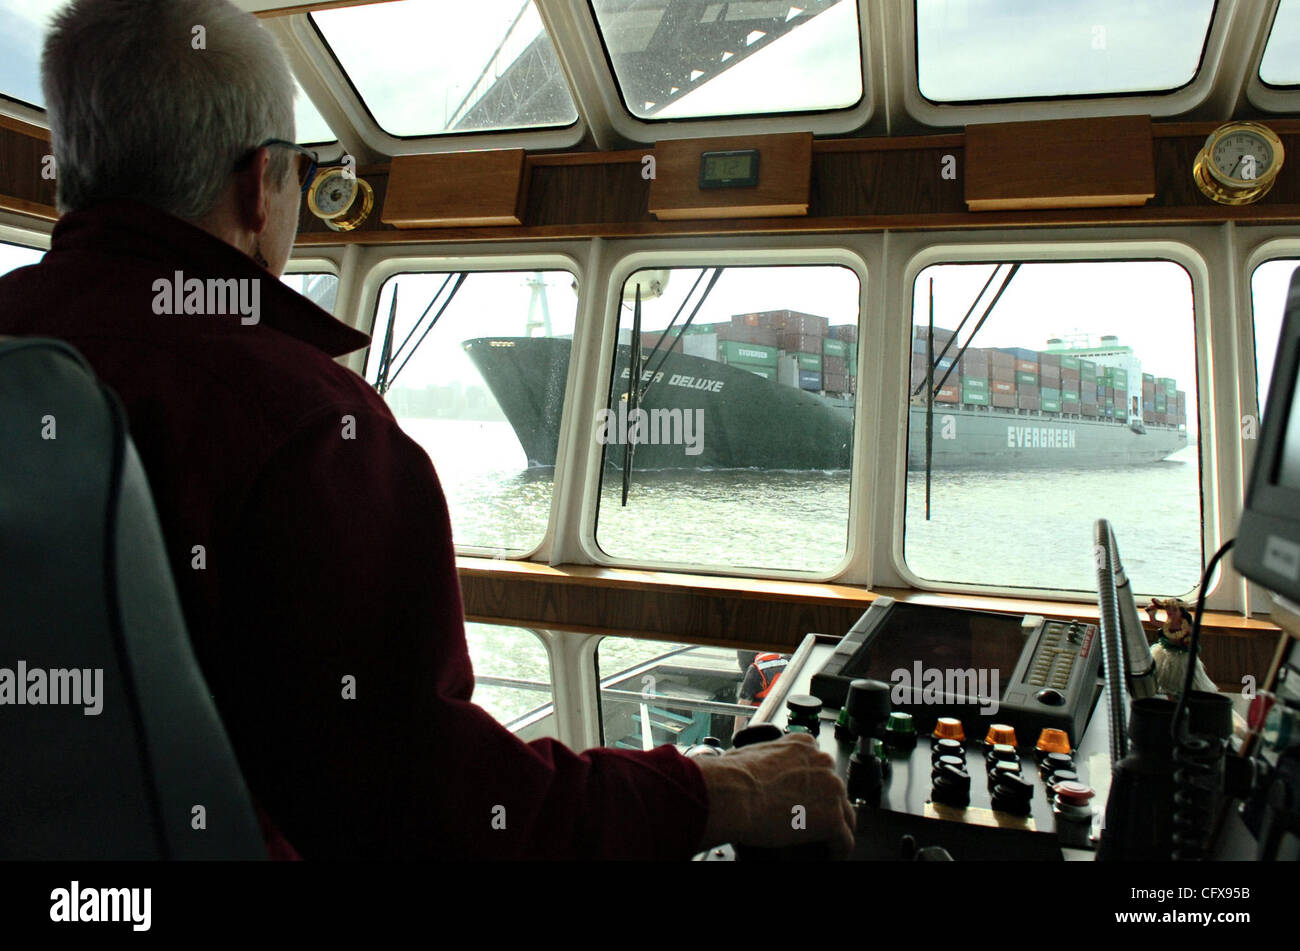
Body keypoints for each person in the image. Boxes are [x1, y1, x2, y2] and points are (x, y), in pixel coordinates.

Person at [0, 0, 854, 860]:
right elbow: (439, 817)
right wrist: (717, 791)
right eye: (303, 172)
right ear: (261, 183)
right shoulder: (311, 427)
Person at [734, 650, 789, 734]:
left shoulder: (755, 669)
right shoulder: (788, 661)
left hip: (761, 726)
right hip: (783, 723)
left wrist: (736, 734)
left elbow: (743, 705)